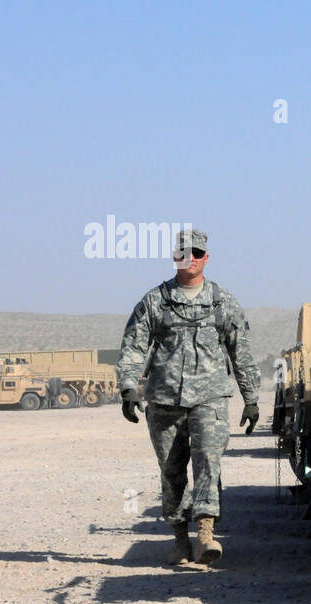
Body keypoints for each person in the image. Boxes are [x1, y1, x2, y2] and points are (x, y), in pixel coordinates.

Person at [116, 229, 260, 565]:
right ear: (174, 257)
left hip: (210, 399)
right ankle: (180, 538)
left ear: (206, 258)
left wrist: (251, 398)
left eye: (197, 252)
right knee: (172, 471)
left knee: (209, 463)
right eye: (184, 252)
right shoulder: (155, 301)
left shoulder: (223, 302)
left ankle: (206, 535)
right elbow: (134, 345)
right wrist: (127, 387)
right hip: (164, 400)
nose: (190, 258)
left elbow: (242, 352)